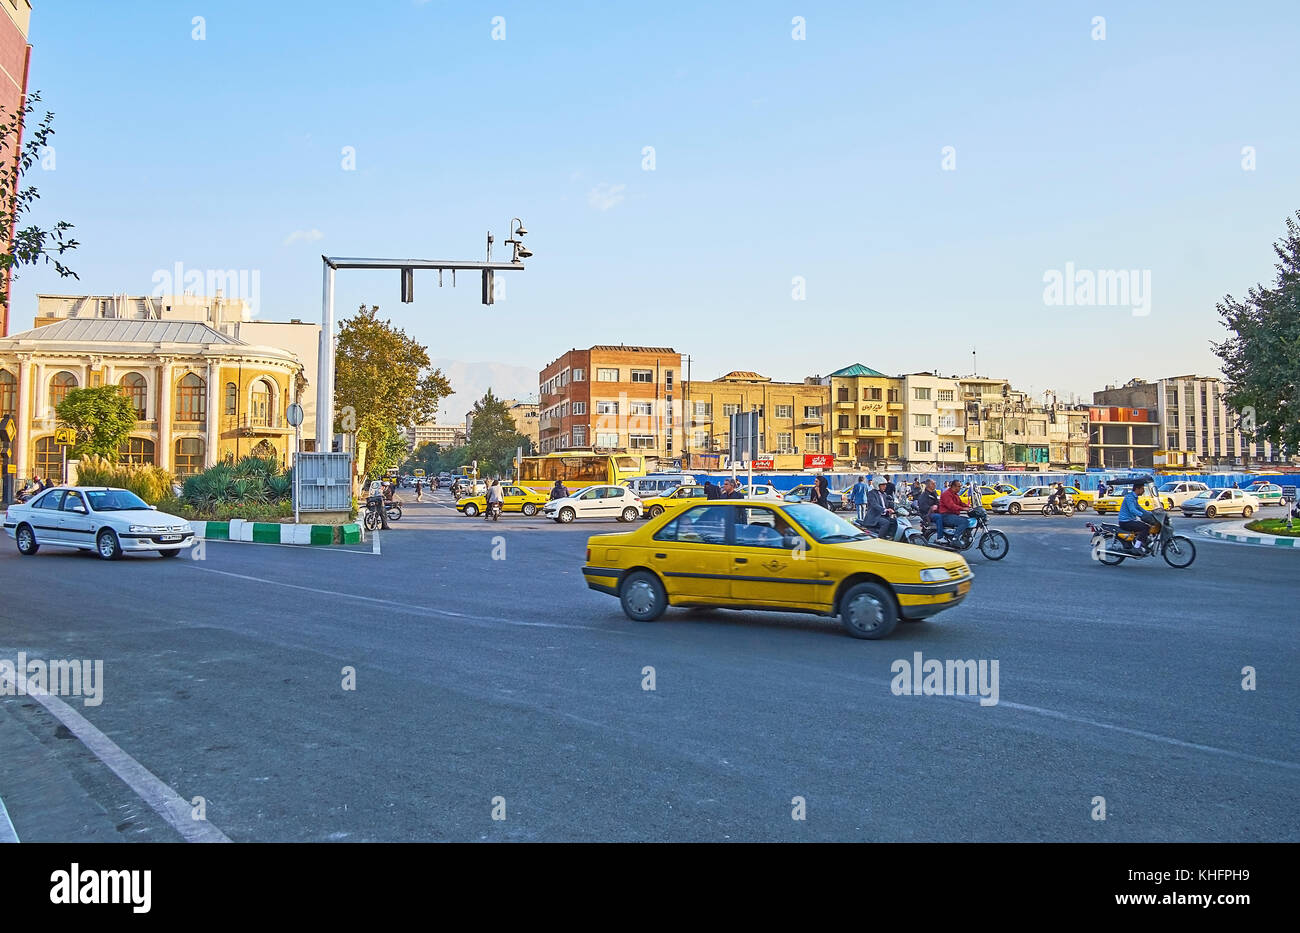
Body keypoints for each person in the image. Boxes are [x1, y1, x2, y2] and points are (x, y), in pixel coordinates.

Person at [1118, 481, 1160, 552]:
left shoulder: (1134, 497)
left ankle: (1143, 542)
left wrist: (1150, 513)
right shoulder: (1129, 497)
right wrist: (1142, 515)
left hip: (1131, 520)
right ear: (1137, 489)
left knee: (1146, 526)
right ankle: (1137, 547)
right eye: (1142, 489)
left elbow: (1139, 508)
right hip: (1125, 522)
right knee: (1145, 527)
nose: (1143, 491)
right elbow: (1132, 510)